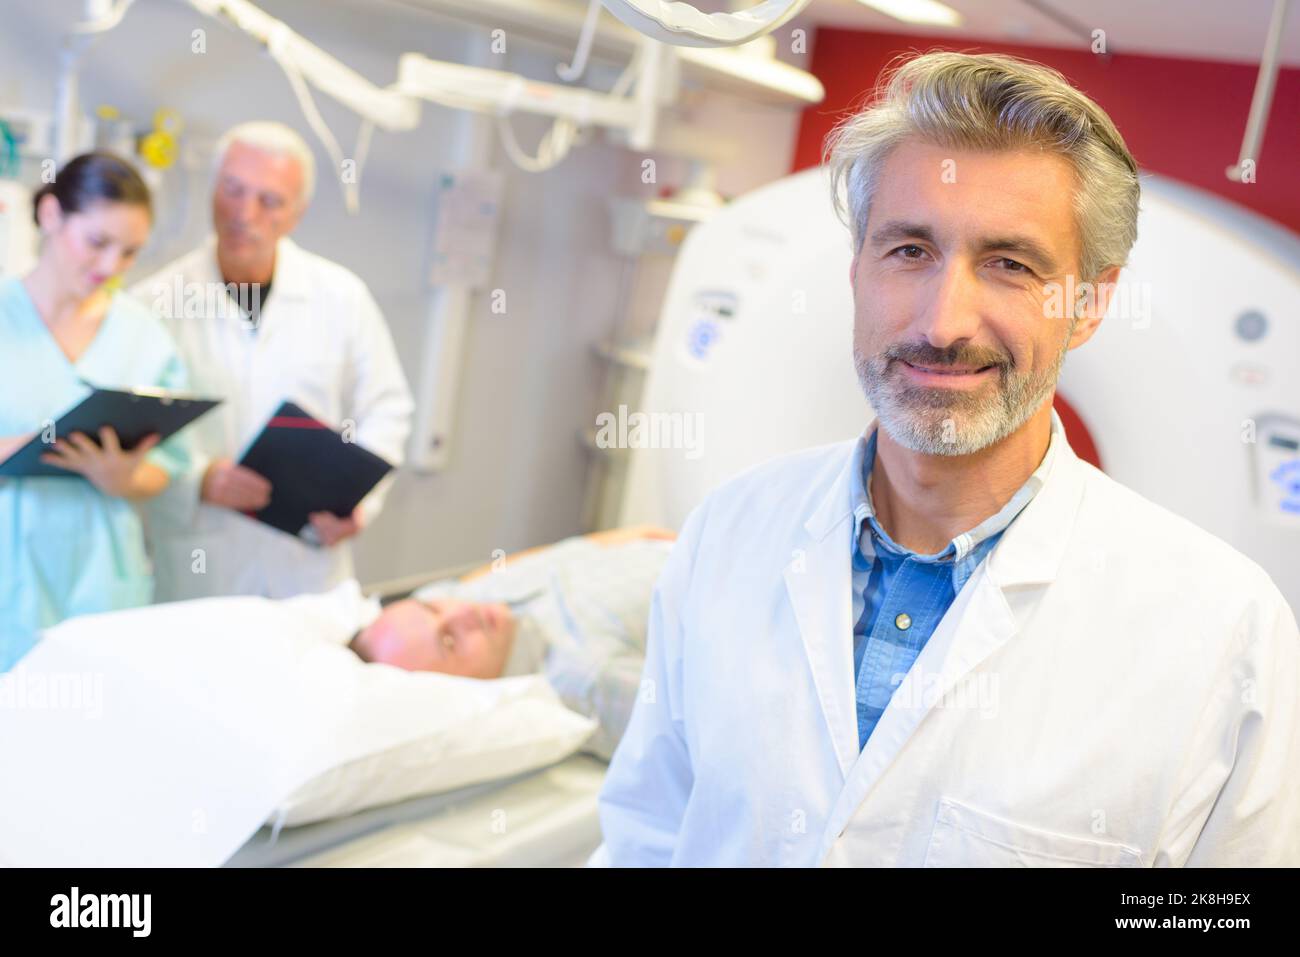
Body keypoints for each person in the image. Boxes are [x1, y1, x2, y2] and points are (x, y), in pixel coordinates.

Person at [595, 52, 1300, 867]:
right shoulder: (731, 528)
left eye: (1010, 264)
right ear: (857, 268)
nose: (944, 320)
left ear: (1089, 302)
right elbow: (648, 832)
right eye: (909, 251)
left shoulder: (1222, 625)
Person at [134, 120, 413, 602]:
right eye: (233, 190)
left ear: (298, 213)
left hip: (305, 562)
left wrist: (357, 503)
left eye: (270, 200)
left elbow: (388, 407)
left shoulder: (340, 296)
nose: (245, 213)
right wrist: (197, 479)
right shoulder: (155, 304)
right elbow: (131, 427)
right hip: (200, 563)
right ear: (212, 190)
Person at [0, 152, 192, 670]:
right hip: (8, 584)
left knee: (95, 730)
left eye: (130, 253)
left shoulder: (143, 335)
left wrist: (126, 477)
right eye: (98, 243)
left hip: (104, 583)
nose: (111, 268)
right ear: (50, 215)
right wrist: (16, 449)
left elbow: (171, 466)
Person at [350, 525, 676, 757]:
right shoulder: (588, 678)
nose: (462, 614)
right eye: (449, 642)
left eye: (432, 608)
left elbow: (562, 554)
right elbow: (707, 725)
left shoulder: (465, 597)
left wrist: (630, 535)